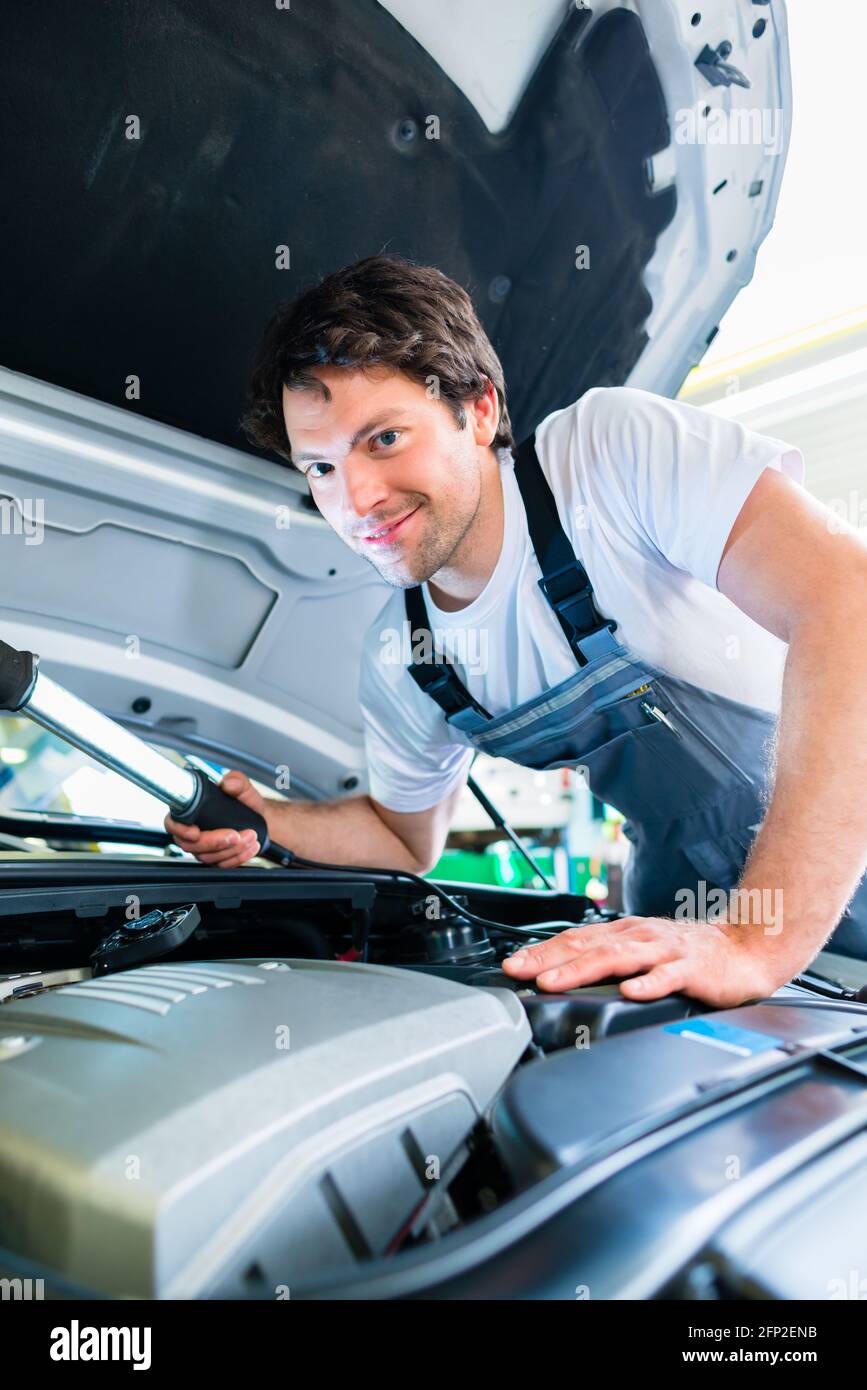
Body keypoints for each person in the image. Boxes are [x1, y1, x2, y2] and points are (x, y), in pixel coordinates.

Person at [166, 254, 867, 1007]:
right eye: (320, 468)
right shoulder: (403, 660)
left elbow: (846, 606)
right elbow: (404, 841)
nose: (356, 499)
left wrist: (755, 943)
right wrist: (272, 821)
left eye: (383, 440)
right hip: (687, 908)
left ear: (477, 411)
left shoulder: (604, 457)